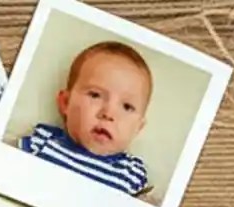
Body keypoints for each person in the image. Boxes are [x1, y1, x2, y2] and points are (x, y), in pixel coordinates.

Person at [19, 40, 152, 196]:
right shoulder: (42, 141)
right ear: (66, 103)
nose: (108, 113)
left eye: (127, 107)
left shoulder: (131, 174)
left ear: (138, 128)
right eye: (95, 95)